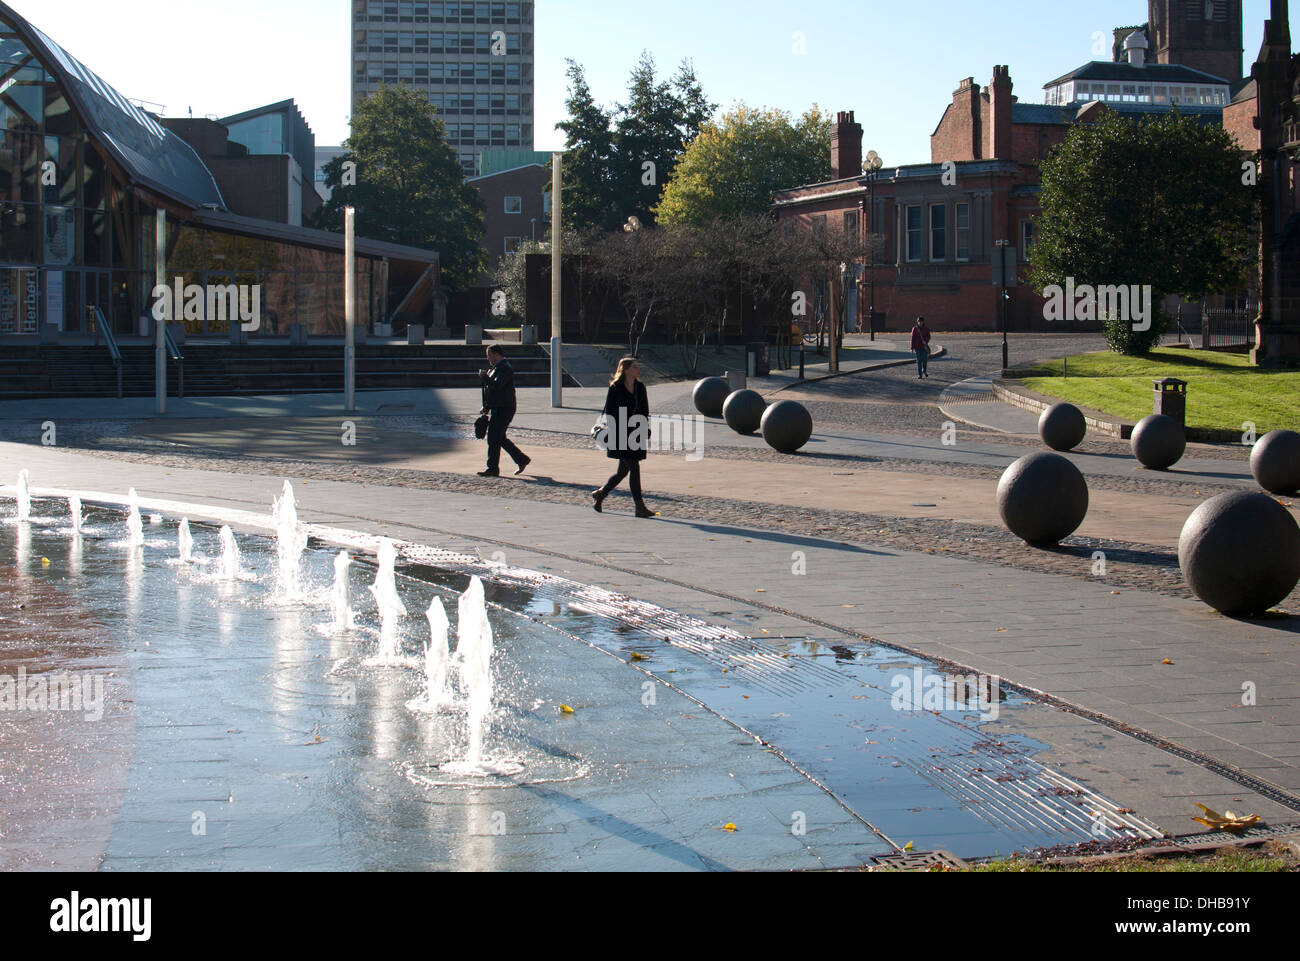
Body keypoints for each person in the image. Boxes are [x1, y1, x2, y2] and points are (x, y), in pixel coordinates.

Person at [592, 357, 654, 518]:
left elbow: (644, 410)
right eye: (634, 367)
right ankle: (639, 507)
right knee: (634, 468)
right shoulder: (616, 387)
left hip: (636, 432)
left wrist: (643, 426)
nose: (637, 369)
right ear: (625, 370)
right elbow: (610, 412)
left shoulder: (640, 387)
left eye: (637, 367)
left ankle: (601, 494)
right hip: (619, 433)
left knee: (622, 471)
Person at [477, 344, 530, 478]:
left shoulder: (505, 368)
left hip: (505, 408)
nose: (488, 358)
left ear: (496, 354)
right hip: (498, 407)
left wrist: (485, 378)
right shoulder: (495, 368)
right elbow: (491, 390)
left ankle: (493, 468)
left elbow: (497, 386)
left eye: (489, 355)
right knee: (498, 437)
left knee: (494, 437)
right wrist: (487, 407)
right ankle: (521, 459)